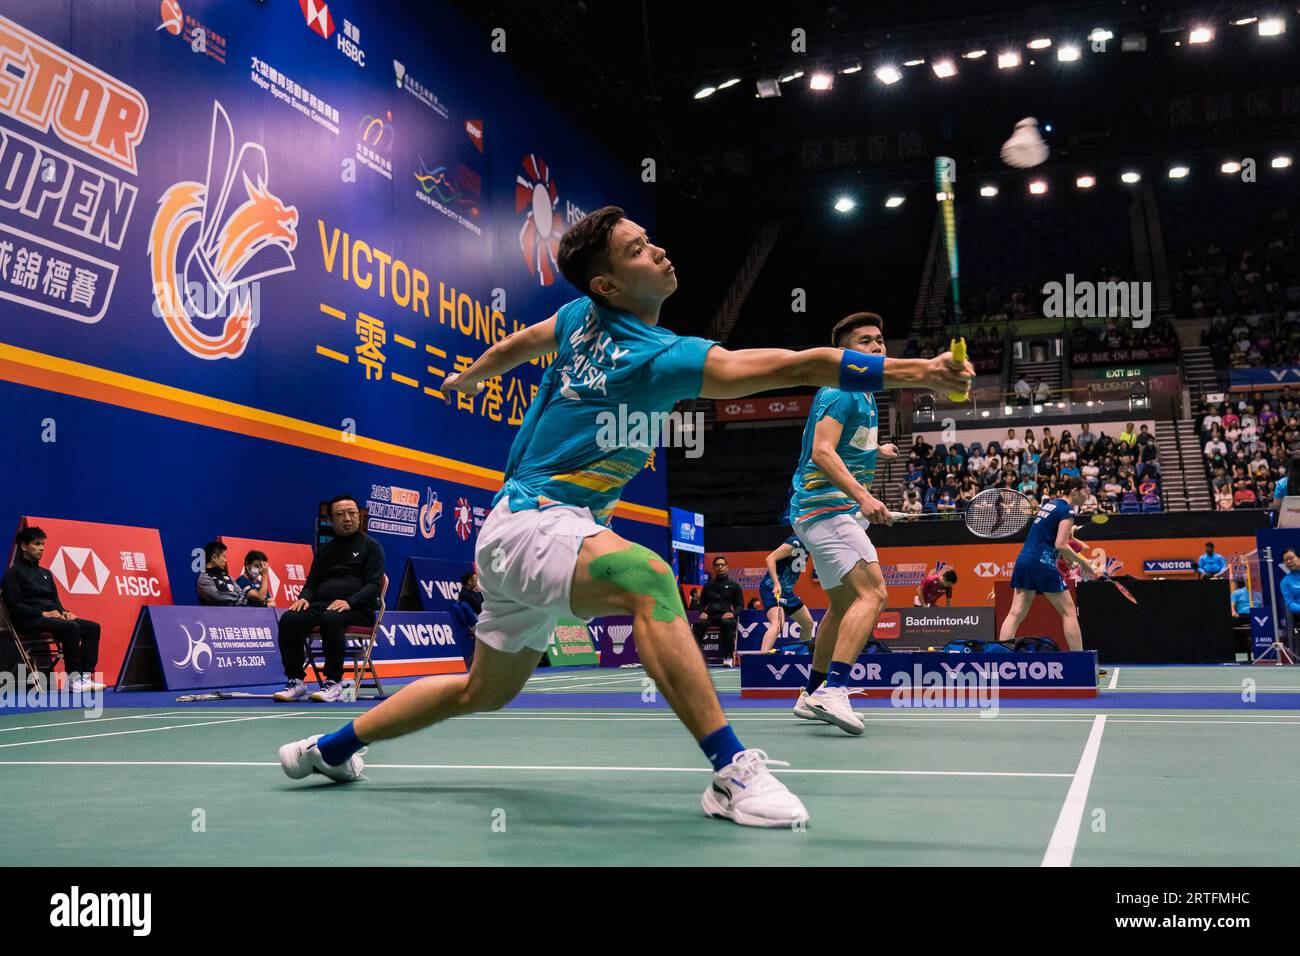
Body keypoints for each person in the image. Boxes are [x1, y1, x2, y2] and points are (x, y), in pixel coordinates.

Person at [278, 207, 971, 827]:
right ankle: (731, 772)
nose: (659, 250)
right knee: (650, 579)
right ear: (607, 284)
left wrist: (473, 374)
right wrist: (922, 372)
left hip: (522, 530)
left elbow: (519, 343)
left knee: (480, 691)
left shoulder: (578, 318)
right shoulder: (657, 356)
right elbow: (795, 364)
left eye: (650, 240)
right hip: (534, 518)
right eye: (638, 249)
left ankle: (328, 749)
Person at [788, 312, 901, 735]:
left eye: (879, 339)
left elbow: (847, 443)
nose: (877, 347)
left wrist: (877, 449)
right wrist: (865, 497)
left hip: (823, 511)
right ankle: (834, 689)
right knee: (874, 593)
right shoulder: (840, 390)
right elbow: (822, 451)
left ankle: (811, 692)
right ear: (843, 352)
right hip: (826, 510)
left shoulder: (865, 394)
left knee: (841, 605)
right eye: (864, 341)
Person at [272, 494, 386, 703]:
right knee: (290, 619)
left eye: (352, 513)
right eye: (340, 514)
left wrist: (349, 601)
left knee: (330, 618)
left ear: (359, 517)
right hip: (323, 606)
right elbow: (312, 583)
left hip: (359, 609)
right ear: (331, 520)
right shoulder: (325, 551)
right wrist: (304, 598)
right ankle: (296, 681)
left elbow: (373, 585)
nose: (347, 518)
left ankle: (333, 682)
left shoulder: (372, 547)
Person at [997, 477, 1097, 652]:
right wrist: (1084, 563)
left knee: (1016, 612)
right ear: (1074, 491)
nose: (1088, 495)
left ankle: (1001, 655)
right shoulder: (1067, 511)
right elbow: (1060, 544)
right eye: (1085, 490)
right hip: (1042, 563)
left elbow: (1049, 538)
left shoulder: (1051, 505)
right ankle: (1080, 660)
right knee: (1069, 612)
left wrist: (1066, 557)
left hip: (1025, 560)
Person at [1, 526, 104, 691]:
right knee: (71, 627)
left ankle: (85, 677)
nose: (41, 548)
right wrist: (42, 613)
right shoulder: (13, 573)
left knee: (92, 627)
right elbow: (14, 605)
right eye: (37, 544)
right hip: (27, 620)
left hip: (50, 619)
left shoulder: (46, 573)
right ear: (24, 546)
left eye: (43, 544)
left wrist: (64, 612)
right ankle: (74, 680)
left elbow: (54, 601)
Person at [757, 533, 818, 654]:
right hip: (772, 588)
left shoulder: (808, 546)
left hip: (788, 593)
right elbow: (770, 558)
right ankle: (762, 657)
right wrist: (776, 583)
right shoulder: (795, 542)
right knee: (777, 624)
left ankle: (802, 653)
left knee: (808, 623)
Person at [693, 555, 743, 663]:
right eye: (717, 565)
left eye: (722, 565)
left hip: (725, 616)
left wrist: (733, 614)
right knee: (697, 624)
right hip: (710, 616)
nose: (720, 567)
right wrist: (702, 612)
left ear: (727, 567)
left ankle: (728, 657)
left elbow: (740, 605)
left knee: (727, 623)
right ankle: (696, 658)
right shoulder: (707, 586)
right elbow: (701, 604)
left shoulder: (734, 586)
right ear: (714, 568)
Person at [196, 541, 247, 606]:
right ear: (214, 557)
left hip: (234, 612)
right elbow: (218, 597)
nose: (225, 560)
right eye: (224, 556)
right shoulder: (204, 578)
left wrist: (237, 599)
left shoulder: (228, 577)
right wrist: (236, 598)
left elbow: (242, 595)